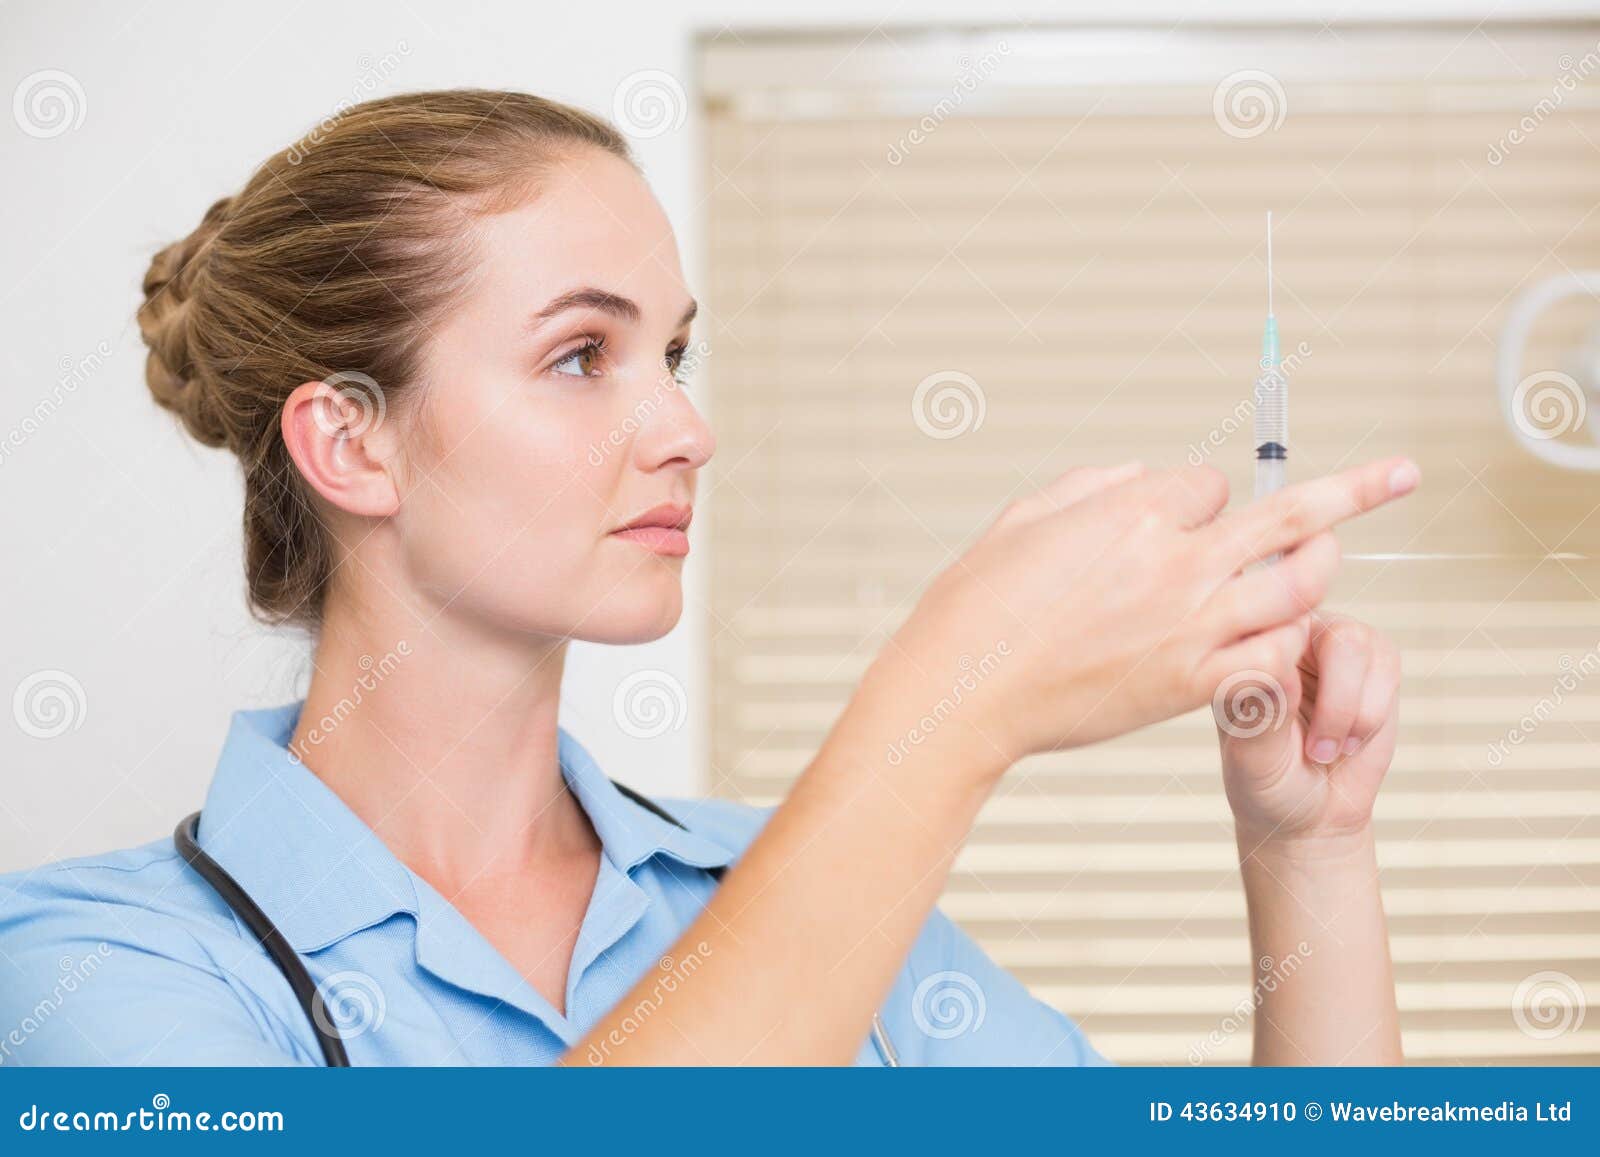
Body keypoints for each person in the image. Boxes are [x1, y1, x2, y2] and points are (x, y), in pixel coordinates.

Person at [0, 89, 1417, 1067]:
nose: (687, 429)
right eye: (580, 357)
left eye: (671, 356)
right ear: (350, 441)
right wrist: (948, 714)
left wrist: (1309, 852)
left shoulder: (789, 897)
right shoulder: (100, 964)